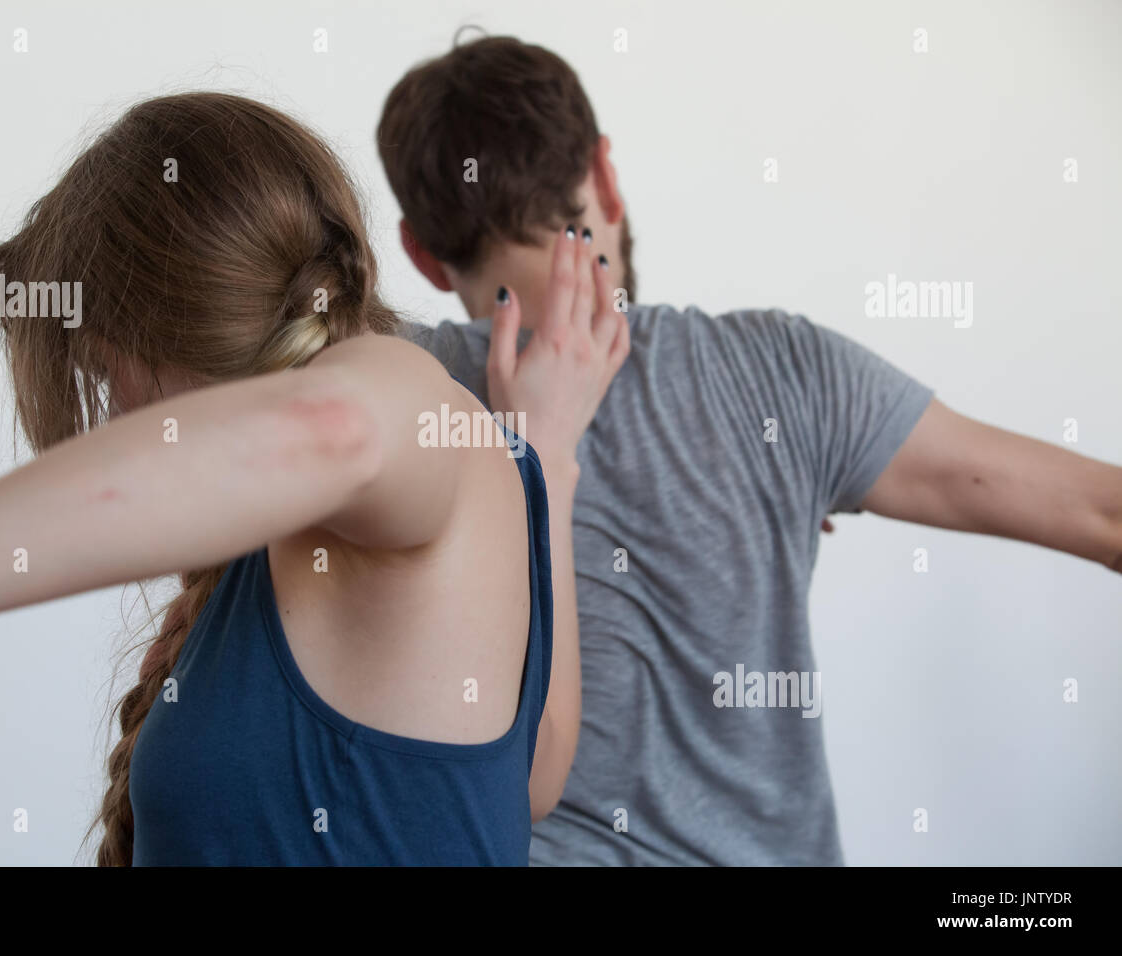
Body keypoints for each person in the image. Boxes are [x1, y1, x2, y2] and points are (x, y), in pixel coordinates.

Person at [0, 92, 629, 865]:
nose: (116, 415)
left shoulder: (399, 394)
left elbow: (332, 429)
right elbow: (535, 771)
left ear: (151, 336)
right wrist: (548, 457)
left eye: (105, 376)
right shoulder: (346, 519)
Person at [377, 34, 1122, 865]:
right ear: (607, 176)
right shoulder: (783, 374)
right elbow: (1104, 513)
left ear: (420, 252)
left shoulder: (388, 394)